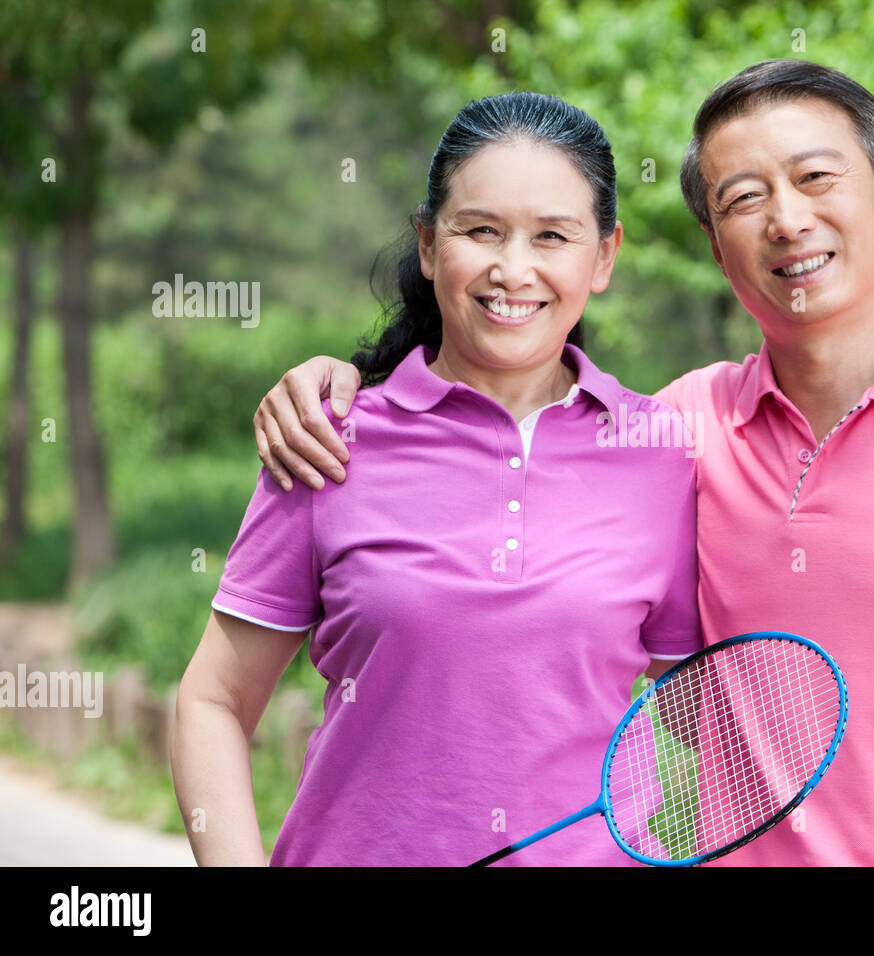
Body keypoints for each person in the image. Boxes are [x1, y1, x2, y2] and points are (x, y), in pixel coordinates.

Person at [252, 60, 874, 865]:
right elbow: (521, 500)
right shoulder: (680, 428)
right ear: (717, 244)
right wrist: (344, 381)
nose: (786, 218)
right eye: (743, 197)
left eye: (817, 179)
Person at [171, 91, 702, 867]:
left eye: (552, 236)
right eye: (480, 230)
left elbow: (704, 711)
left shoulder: (662, 451)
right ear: (428, 244)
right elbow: (211, 702)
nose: (512, 268)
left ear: (605, 257)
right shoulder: (327, 437)